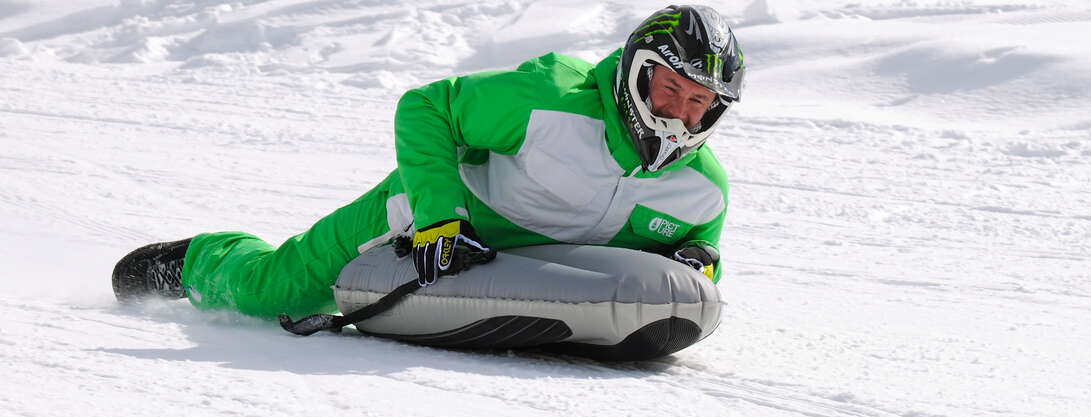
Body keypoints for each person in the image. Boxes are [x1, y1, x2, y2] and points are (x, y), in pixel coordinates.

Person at [112, 5, 746, 320]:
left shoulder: (700, 187)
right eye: (670, 90)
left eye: (699, 103)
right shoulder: (549, 99)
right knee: (277, 294)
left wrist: (699, 261)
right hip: (437, 211)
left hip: (537, 259)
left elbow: (698, 244)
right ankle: (202, 259)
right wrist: (440, 212)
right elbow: (426, 107)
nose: (680, 115)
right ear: (637, 71)